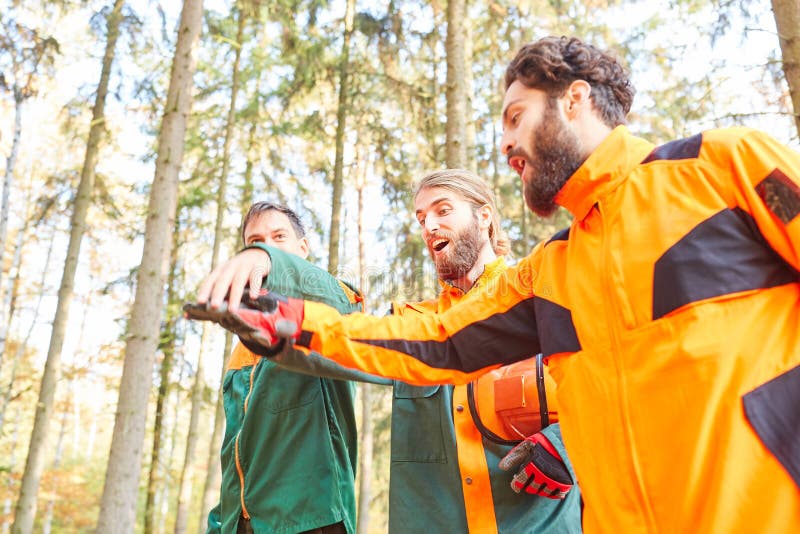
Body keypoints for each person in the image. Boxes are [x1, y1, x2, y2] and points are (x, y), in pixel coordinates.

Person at [195, 36, 800, 532]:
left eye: (516, 118)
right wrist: (296, 324)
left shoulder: (722, 169)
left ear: (575, 100)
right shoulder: (552, 272)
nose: (506, 142)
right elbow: (438, 341)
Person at [218, 169, 582, 533]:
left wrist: (566, 446)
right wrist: (274, 328)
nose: (429, 226)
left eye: (442, 210)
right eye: (422, 218)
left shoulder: (541, 297)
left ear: (484, 216)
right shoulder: (414, 323)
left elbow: (612, 378)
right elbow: (347, 349)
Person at [203, 202, 362, 534]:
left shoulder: (328, 304)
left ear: (302, 249)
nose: (266, 245)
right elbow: (236, 447)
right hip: (244, 524)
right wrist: (222, 522)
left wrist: (269, 259)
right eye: (256, 240)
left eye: (279, 237)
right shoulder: (241, 349)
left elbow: (344, 303)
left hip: (312, 519)